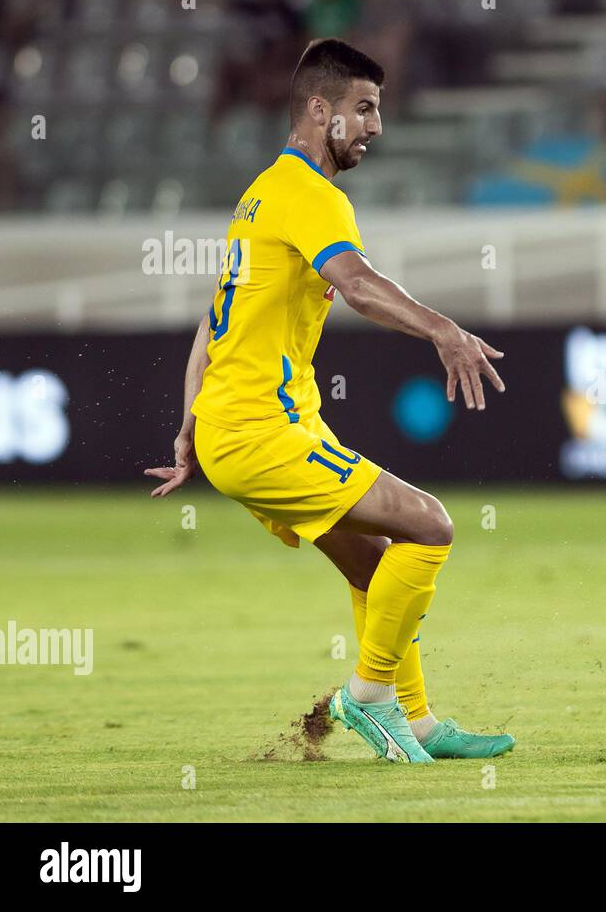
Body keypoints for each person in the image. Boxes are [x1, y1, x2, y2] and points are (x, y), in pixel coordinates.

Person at [145, 39, 513, 764]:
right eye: (364, 108)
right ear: (321, 110)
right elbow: (356, 284)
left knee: (374, 568)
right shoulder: (311, 195)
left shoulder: (261, 194)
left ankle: (416, 722)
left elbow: (213, 322)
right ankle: (369, 696)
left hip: (242, 430)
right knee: (430, 526)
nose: (376, 125)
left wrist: (189, 426)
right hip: (259, 432)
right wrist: (443, 330)